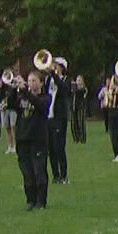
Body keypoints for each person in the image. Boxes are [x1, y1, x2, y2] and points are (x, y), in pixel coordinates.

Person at [4, 72, 50, 210]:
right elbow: (11, 104)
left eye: (34, 80)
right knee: (27, 173)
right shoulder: (22, 97)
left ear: (41, 83)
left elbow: (40, 106)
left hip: (38, 139)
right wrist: (13, 88)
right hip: (23, 139)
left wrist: (25, 91)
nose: (31, 83)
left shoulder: (45, 97)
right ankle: (30, 200)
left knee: (39, 171)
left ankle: (41, 201)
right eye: (29, 80)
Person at [46, 56, 72, 184]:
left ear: (62, 67)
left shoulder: (66, 80)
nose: (53, 66)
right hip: (48, 116)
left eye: (56, 64)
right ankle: (55, 175)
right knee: (50, 148)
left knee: (59, 147)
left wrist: (53, 75)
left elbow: (64, 89)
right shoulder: (48, 79)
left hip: (59, 117)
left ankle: (64, 175)